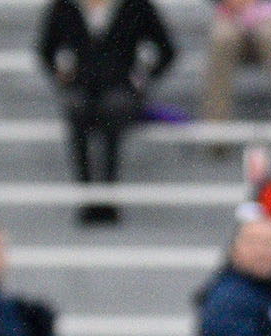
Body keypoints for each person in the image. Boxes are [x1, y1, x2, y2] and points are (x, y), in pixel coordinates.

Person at [37, 0, 177, 225]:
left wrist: (143, 79)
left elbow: (167, 50)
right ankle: (88, 196)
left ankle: (108, 196)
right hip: (82, 88)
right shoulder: (64, 6)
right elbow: (45, 49)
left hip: (121, 90)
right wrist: (62, 77)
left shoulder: (138, 6)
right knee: (76, 108)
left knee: (114, 108)